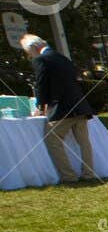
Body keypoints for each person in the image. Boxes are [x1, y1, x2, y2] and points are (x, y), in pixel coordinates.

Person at [22, 34, 96, 183]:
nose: (30, 56)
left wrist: (40, 107)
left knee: (52, 139)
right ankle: (89, 173)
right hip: (80, 105)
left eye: (29, 53)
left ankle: (68, 176)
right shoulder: (63, 58)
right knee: (84, 142)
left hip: (62, 108)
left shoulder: (41, 60)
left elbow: (41, 85)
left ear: (34, 48)